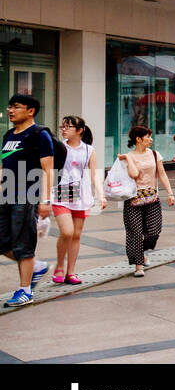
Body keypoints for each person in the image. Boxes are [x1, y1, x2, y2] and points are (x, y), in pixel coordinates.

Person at [1, 95, 53, 306]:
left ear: (30, 111)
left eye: (16, 107)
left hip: (27, 195)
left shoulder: (39, 135)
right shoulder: (8, 135)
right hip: (6, 194)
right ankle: (37, 266)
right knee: (2, 240)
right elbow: (4, 166)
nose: (11, 110)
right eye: (10, 106)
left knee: (23, 243)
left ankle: (25, 291)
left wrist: (45, 201)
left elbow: (48, 170)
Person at [51, 116, 106, 286]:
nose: (64, 129)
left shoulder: (89, 150)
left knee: (76, 235)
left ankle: (71, 272)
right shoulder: (59, 147)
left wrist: (101, 194)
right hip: (61, 192)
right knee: (67, 232)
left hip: (81, 194)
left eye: (68, 127)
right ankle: (60, 265)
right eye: (63, 126)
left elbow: (94, 173)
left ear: (79, 130)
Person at [120, 125, 175, 277]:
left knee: (154, 232)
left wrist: (170, 193)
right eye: (148, 137)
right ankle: (139, 266)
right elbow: (133, 174)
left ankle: (139, 251)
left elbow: (162, 175)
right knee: (136, 233)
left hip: (152, 199)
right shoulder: (129, 156)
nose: (151, 140)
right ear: (138, 139)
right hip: (133, 200)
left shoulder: (155, 154)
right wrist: (129, 158)